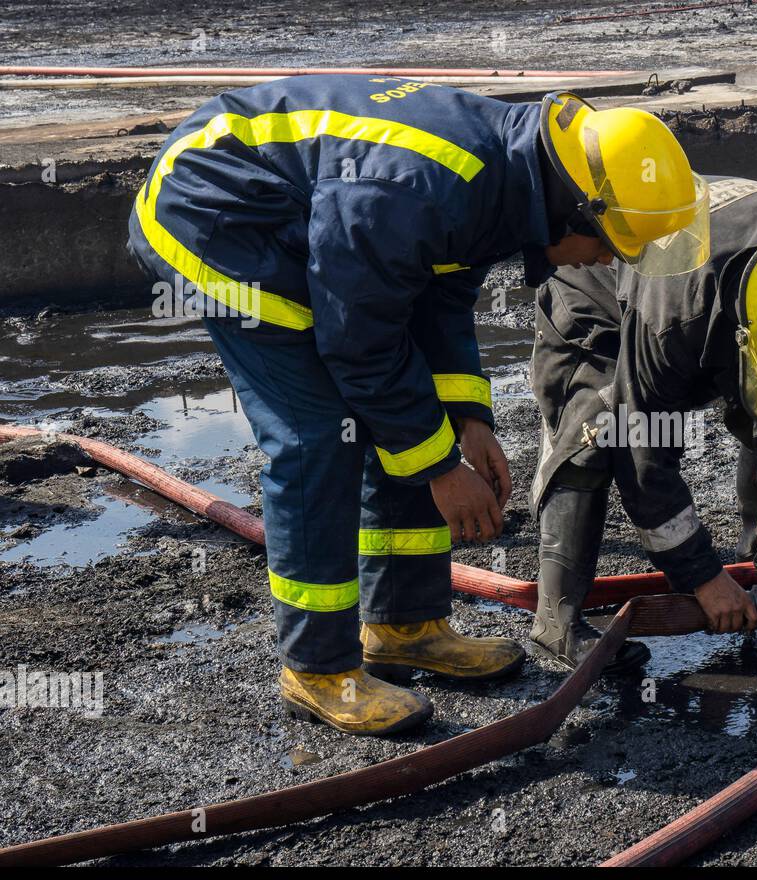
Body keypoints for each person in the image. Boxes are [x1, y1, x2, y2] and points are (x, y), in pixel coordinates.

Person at [127, 78, 709, 734]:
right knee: (317, 434)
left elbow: (440, 296)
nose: (603, 260)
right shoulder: (423, 187)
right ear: (576, 209)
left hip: (315, 219)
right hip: (217, 211)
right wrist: (439, 469)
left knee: (411, 409)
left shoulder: (514, 179)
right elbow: (358, 339)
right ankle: (317, 667)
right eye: (606, 244)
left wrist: (468, 421)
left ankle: (404, 627)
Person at [529, 177, 757, 672]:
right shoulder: (672, 315)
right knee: (598, 427)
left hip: (720, 292)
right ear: (750, 336)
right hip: (603, 289)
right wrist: (700, 578)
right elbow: (644, 454)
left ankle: (756, 559)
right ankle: (557, 622)